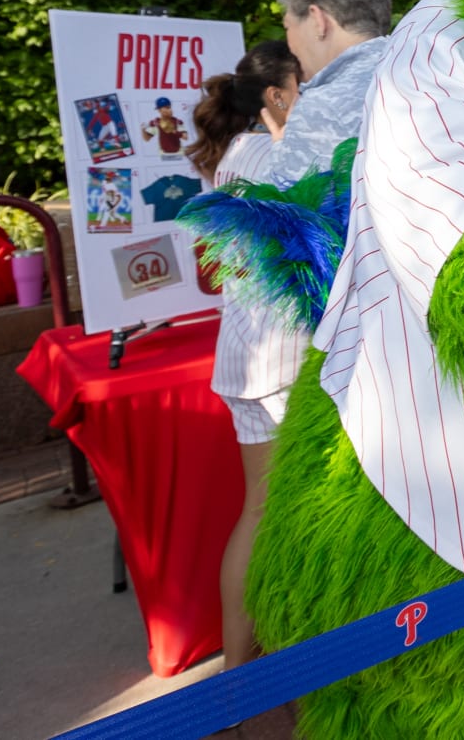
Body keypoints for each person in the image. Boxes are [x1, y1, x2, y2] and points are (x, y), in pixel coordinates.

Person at [183, 40, 303, 669]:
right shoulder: (271, 155)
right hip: (280, 360)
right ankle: (263, 671)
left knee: (258, 510)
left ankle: (237, 675)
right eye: (306, 87)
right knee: (280, 511)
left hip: (250, 357)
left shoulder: (235, 154)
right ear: (277, 96)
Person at [254, 0, 395, 188]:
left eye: (288, 27)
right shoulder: (427, 69)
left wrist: (282, 152)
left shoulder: (322, 108)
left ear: (317, 20)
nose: (291, 45)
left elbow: (278, 216)